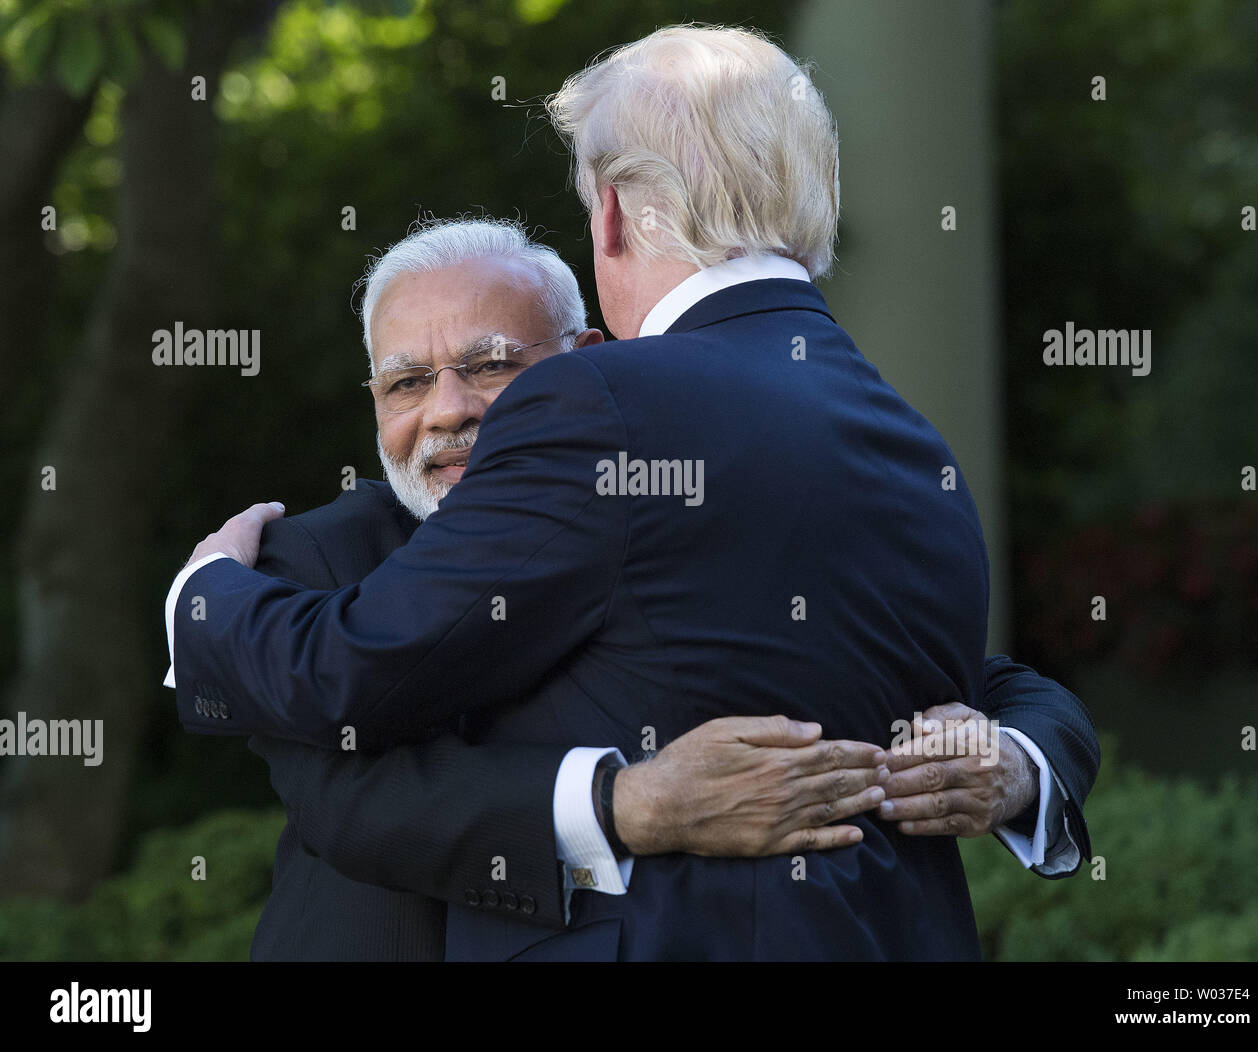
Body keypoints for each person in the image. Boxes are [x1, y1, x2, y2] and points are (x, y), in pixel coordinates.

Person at [168, 28, 1098, 959]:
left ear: (610, 216)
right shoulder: (903, 436)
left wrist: (200, 597)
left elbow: (349, 670)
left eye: (494, 367)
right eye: (407, 381)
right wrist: (628, 800)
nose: (451, 409)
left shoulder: (601, 408)